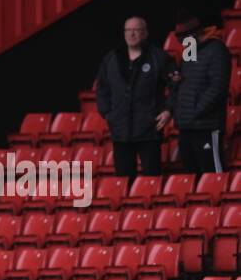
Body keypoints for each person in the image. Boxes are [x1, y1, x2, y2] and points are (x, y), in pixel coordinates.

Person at [95, 16, 173, 177]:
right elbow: (102, 89)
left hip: (149, 132)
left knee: (152, 180)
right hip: (120, 133)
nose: (132, 34)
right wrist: (109, 115)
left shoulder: (159, 58)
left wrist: (168, 111)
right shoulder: (112, 59)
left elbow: (177, 87)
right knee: (123, 182)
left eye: (136, 30)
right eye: (128, 30)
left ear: (145, 33)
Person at [169, 14, 231, 174]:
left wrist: (195, 111)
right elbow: (184, 85)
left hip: (207, 126)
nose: (181, 43)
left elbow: (217, 88)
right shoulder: (189, 52)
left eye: (183, 39)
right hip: (186, 127)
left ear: (193, 34)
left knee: (212, 174)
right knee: (191, 175)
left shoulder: (217, 50)